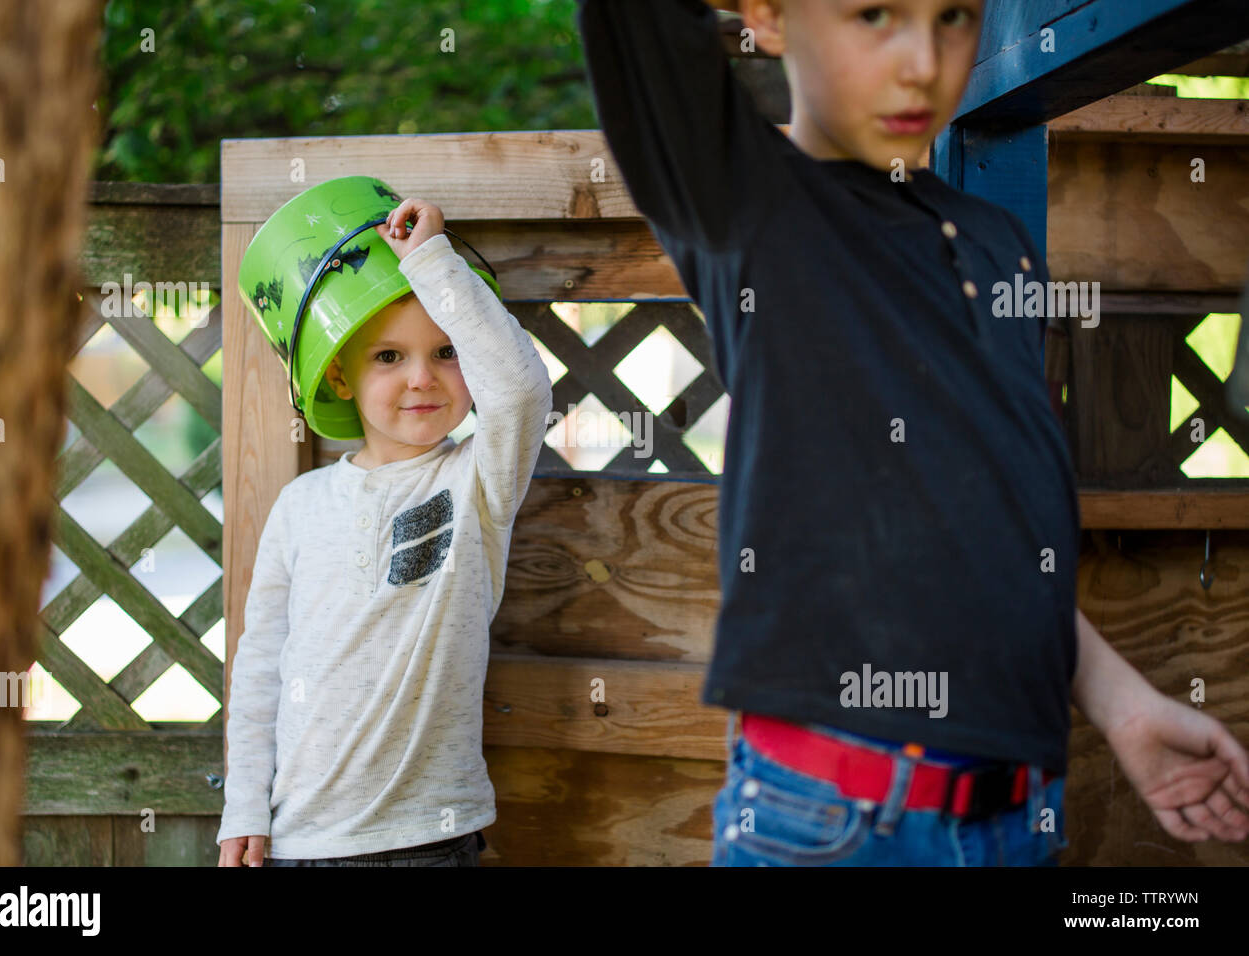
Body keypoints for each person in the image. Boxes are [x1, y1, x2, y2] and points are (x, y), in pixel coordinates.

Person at [575, 0, 1249, 865]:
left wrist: (1123, 705)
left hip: (1020, 823)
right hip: (830, 826)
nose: (923, 61)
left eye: (954, 18)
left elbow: (999, 538)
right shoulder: (751, 202)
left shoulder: (999, 244)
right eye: (874, 15)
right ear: (769, 19)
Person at [217, 179, 553, 866]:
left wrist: (432, 262)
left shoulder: (476, 482)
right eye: (389, 356)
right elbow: (260, 670)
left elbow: (520, 391)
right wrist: (245, 803)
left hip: (431, 833)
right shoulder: (300, 505)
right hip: (298, 839)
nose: (422, 378)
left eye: (446, 352)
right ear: (340, 376)